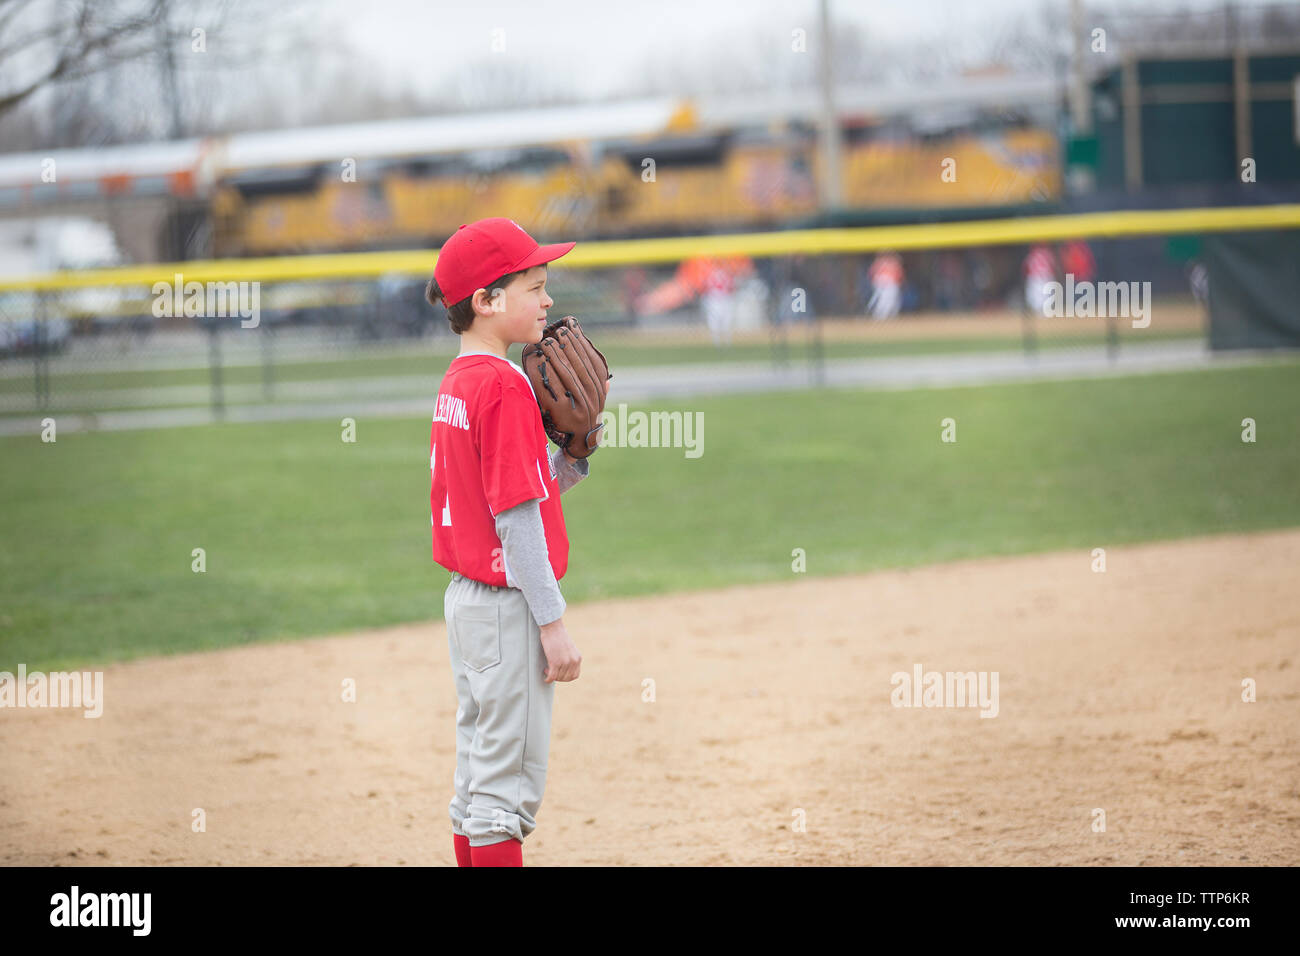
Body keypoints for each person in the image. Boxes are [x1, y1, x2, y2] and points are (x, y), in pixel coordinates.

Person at [424, 218, 607, 868]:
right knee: (506, 798)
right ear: (486, 300)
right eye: (533, 286)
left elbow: (510, 494)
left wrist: (573, 457)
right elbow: (518, 521)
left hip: (468, 605)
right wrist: (552, 624)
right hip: (508, 610)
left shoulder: (461, 381)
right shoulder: (503, 388)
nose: (548, 301)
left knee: (477, 780)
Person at [1023, 243, 1057, 317]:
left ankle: (1039, 314)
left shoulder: (1033, 254)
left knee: (1037, 300)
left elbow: (1026, 268)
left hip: (1036, 278)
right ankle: (1043, 314)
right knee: (1043, 299)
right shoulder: (1047, 253)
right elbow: (1053, 267)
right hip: (1044, 277)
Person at [868, 250, 904, 319]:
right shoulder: (878, 263)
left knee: (892, 299)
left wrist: (899, 281)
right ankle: (880, 315)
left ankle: (889, 314)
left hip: (891, 283)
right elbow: (872, 273)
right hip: (882, 282)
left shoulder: (893, 263)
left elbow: (898, 273)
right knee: (883, 300)